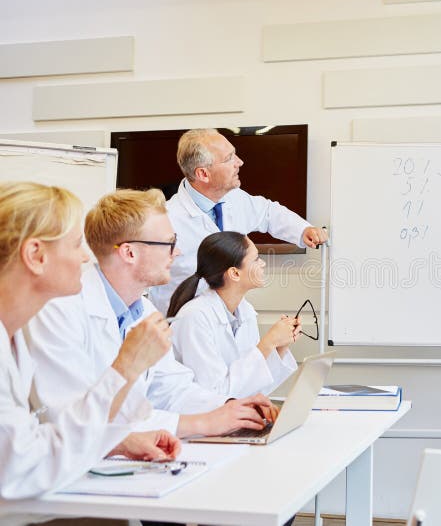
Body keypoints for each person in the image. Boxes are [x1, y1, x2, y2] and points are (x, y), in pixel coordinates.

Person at [27, 189, 279, 441]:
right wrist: (201, 423)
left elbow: (170, 389)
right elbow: (73, 421)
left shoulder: (144, 311)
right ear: (129, 253)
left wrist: (230, 406)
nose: (177, 252)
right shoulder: (59, 312)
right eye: (170, 243)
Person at [0, 182, 178, 500]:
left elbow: (27, 440)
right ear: (36, 255)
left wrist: (116, 442)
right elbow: (19, 471)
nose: (85, 257)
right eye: (74, 245)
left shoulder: (12, 339)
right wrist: (126, 366)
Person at [147, 128, 328, 313]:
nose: (240, 162)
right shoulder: (164, 220)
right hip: (181, 323)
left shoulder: (235, 198)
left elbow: (268, 213)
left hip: (227, 317)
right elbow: (143, 278)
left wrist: (303, 230)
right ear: (203, 174)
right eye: (229, 158)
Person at [167, 231, 300, 397]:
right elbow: (214, 395)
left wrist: (279, 346)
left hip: (232, 410)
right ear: (235, 273)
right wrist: (268, 342)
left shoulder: (245, 311)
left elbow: (252, 386)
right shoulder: (194, 317)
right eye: (256, 259)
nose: (263, 263)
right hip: (197, 411)